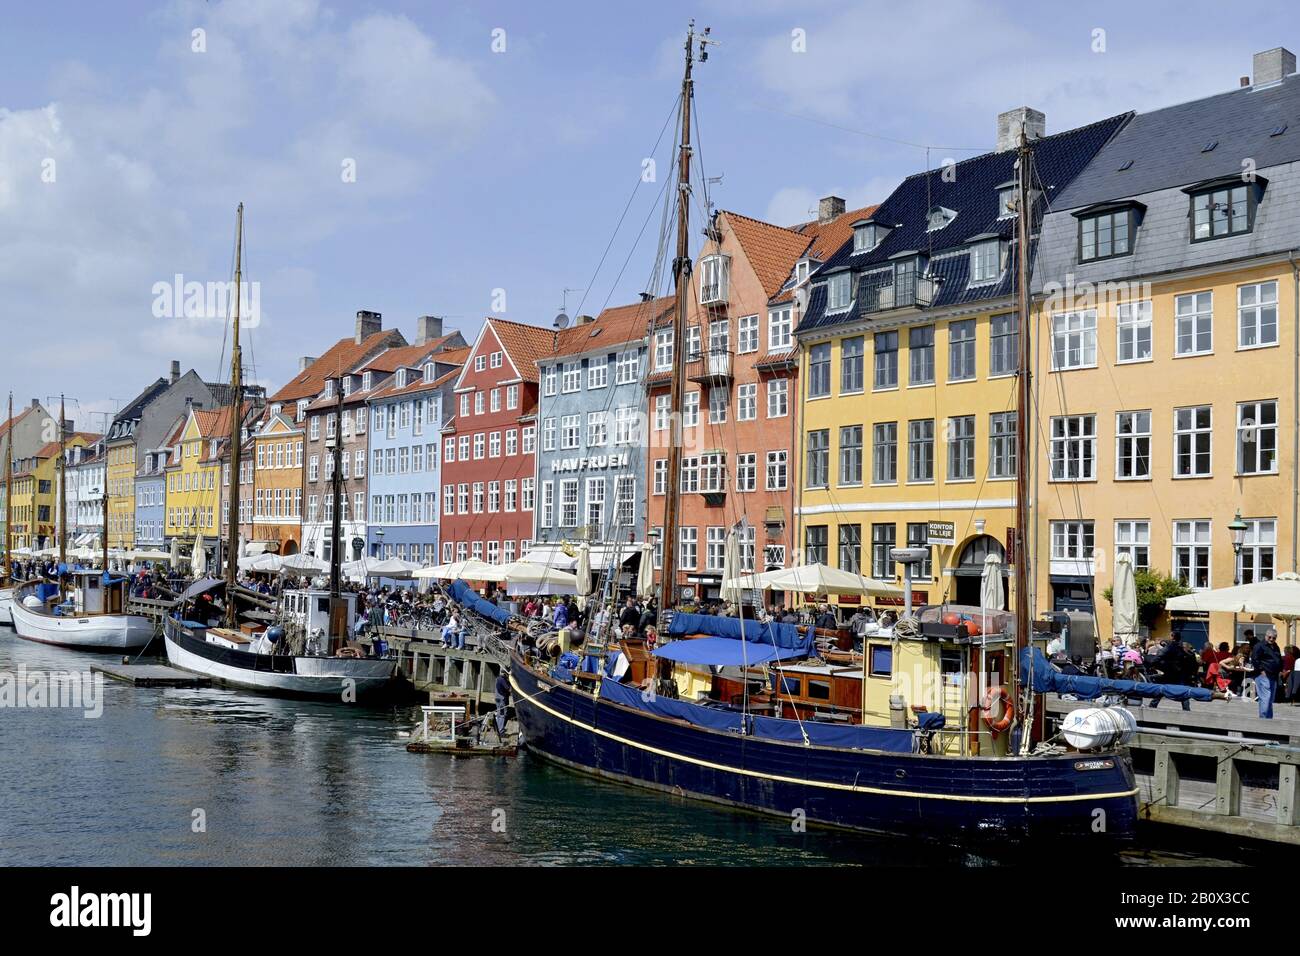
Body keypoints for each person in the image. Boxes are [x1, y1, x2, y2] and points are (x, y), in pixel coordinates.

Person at [1250, 628, 1283, 719]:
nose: (1272, 639)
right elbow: (1255, 659)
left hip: (1273, 676)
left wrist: (1280, 669)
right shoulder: (1259, 646)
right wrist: (1261, 671)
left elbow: (1279, 659)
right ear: (1266, 636)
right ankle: (1264, 719)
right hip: (1264, 675)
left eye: (1274, 638)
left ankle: (1268, 720)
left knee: (1270, 699)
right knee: (1265, 698)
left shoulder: (1275, 646)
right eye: (1270, 637)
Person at [493, 670, 512, 738]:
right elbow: (508, 689)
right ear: (505, 674)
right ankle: (500, 731)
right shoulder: (502, 680)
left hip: (498, 698)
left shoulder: (498, 678)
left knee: (499, 714)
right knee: (502, 715)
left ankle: (498, 729)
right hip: (501, 700)